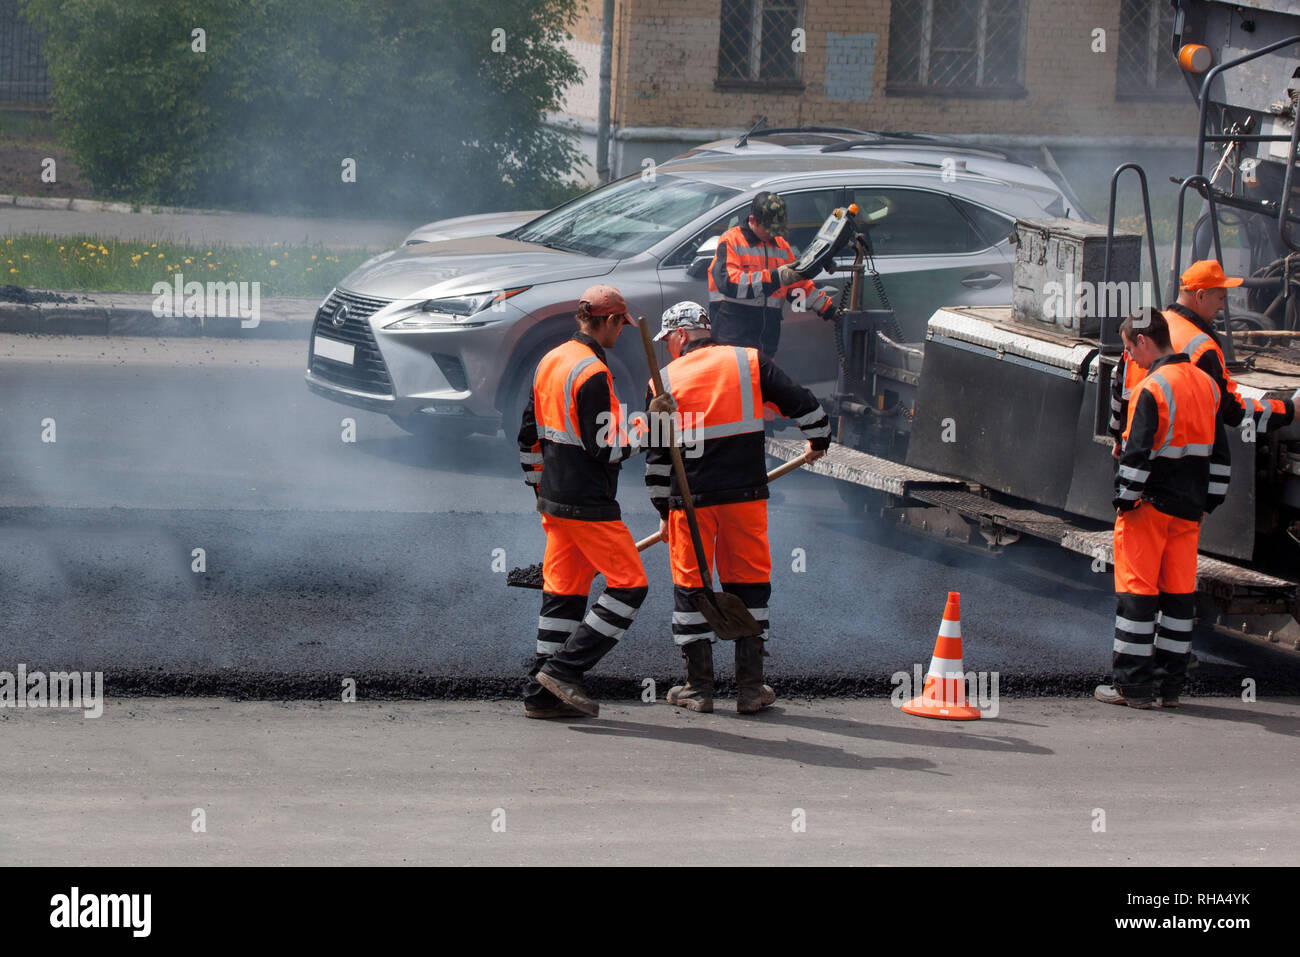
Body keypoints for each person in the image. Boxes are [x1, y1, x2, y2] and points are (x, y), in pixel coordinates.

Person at [643, 300, 830, 713]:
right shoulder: (749, 362)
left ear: (678, 336)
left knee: (691, 587)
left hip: (689, 503)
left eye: (667, 342)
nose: (667, 349)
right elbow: (803, 402)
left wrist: (663, 511)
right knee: (748, 586)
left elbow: (657, 460)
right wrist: (819, 439)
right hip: (744, 496)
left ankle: (698, 689)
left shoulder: (663, 381)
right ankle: (750, 689)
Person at [517, 284, 675, 718]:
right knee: (630, 586)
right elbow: (606, 448)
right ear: (606, 321)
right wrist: (653, 427)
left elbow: (528, 435)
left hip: (554, 501)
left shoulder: (550, 360)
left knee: (563, 596)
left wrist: (539, 492)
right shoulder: (591, 372)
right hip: (588, 503)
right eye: (619, 326)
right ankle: (564, 672)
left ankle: (540, 694)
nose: (620, 333)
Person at [1097, 308, 1226, 710]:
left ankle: (1133, 687)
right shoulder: (1207, 385)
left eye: (1130, 348)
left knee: (1137, 594)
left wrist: (1124, 500)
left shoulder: (1152, 389)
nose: (1129, 358)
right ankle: (1170, 686)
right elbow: (1220, 456)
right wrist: (1209, 502)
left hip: (1148, 509)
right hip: (1188, 512)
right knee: (1177, 596)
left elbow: (1136, 455)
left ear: (1145, 342)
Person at [1109, 260, 1298, 473]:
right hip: (1170, 472)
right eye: (1220, 298)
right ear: (1200, 296)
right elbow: (1232, 411)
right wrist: (1290, 410)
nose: (1222, 307)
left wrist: (1117, 437)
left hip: (1132, 459)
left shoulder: (1142, 329)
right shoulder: (1202, 347)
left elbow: (1119, 390)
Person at [707, 191, 837, 359]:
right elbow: (730, 283)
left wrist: (830, 310)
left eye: (777, 230)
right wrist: (777, 278)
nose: (773, 234)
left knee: (763, 385)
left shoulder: (781, 246)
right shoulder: (731, 241)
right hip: (732, 340)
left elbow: (798, 285)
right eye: (769, 229)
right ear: (753, 220)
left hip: (766, 344)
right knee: (738, 384)